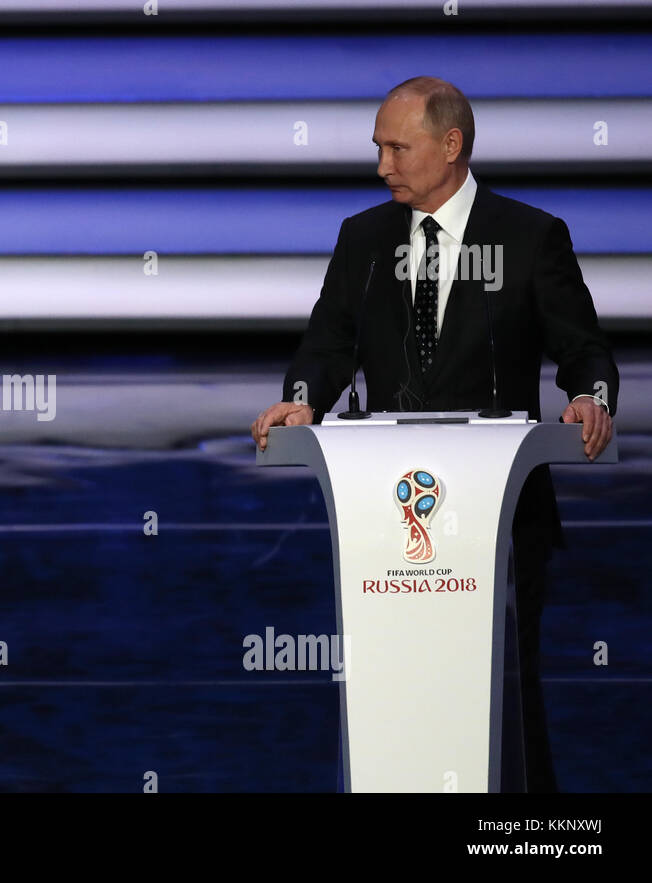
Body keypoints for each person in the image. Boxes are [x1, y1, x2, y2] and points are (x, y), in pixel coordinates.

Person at [251, 76, 618, 792]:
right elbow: (328, 348)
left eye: (397, 147)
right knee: (398, 695)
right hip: (382, 518)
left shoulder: (530, 236)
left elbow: (583, 350)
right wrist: (301, 400)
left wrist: (587, 398)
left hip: (499, 523)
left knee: (505, 701)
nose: (381, 165)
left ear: (451, 146)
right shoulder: (362, 239)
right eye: (378, 148)